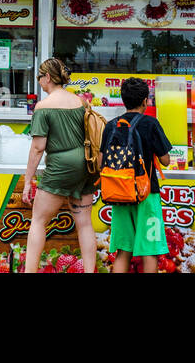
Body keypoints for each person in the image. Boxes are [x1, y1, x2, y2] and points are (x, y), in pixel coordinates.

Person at [22, 57, 97, 273]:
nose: (38, 82)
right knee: (84, 223)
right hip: (85, 165)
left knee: (38, 221)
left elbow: (38, 148)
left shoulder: (43, 107)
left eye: (39, 77)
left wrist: (28, 181)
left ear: (47, 77)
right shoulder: (81, 102)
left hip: (61, 166)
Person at [100, 76, 172, 273]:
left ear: (123, 100)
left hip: (119, 193)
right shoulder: (150, 124)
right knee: (150, 250)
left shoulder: (111, 125)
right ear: (145, 101)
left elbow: (101, 162)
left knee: (124, 250)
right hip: (146, 194)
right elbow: (165, 160)